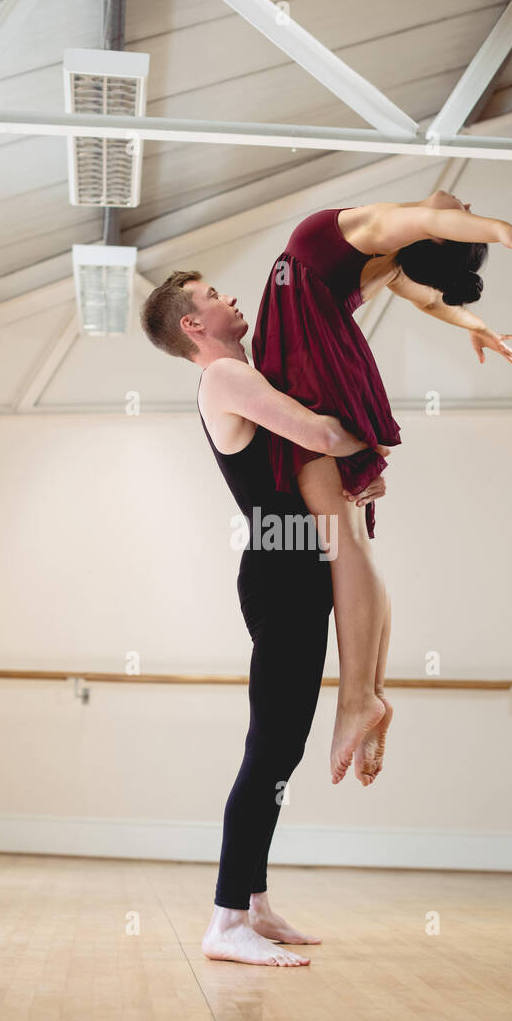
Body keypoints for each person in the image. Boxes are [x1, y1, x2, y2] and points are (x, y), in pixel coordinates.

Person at [252, 191, 512, 785]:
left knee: (346, 544)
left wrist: (502, 227)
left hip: (312, 376)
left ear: (437, 236)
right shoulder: (391, 260)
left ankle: (356, 699)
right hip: (322, 370)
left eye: (459, 216)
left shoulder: (376, 226)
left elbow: (437, 219)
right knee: (355, 543)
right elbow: (429, 300)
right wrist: (477, 325)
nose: (460, 199)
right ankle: (371, 692)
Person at [141, 272, 388, 967]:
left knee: (280, 749)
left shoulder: (247, 374)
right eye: (213, 293)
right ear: (193, 324)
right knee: (271, 751)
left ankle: (253, 904)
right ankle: (224, 922)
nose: (230, 297)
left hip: (296, 566)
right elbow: (318, 433)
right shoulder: (222, 377)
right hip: (281, 573)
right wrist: (370, 429)